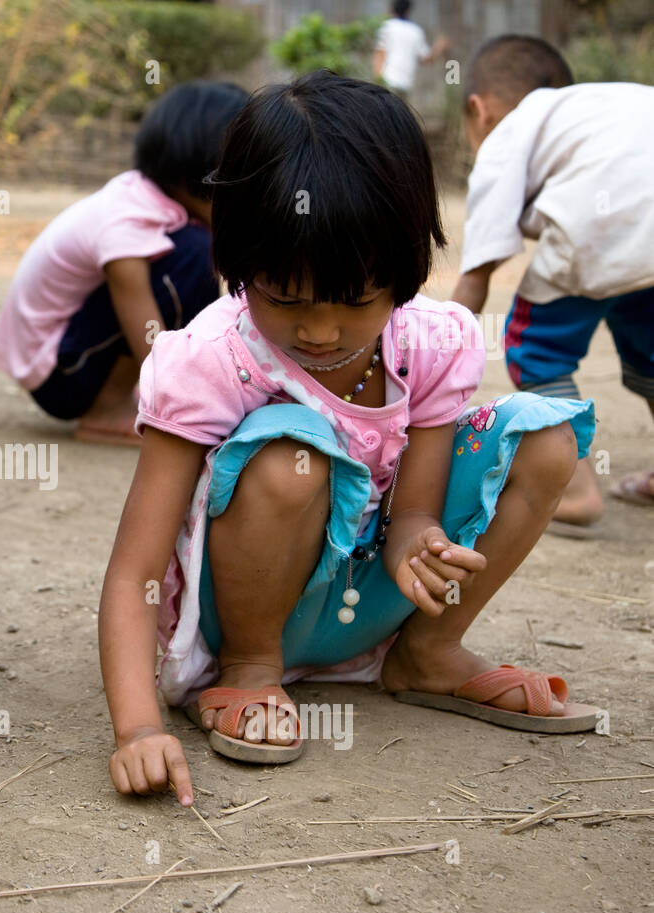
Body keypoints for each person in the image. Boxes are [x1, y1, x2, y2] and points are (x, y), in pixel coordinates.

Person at [97, 72, 601, 803]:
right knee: (290, 457)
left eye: (357, 302)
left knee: (547, 440)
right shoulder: (211, 360)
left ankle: (424, 655)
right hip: (243, 604)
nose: (321, 332)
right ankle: (250, 669)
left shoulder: (430, 340)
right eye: (284, 298)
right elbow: (131, 568)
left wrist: (417, 537)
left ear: (404, 269)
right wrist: (138, 728)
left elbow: (418, 512)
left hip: (371, 601)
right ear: (233, 262)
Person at [452, 34, 654, 527]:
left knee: (537, 349)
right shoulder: (617, 101)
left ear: (480, 110)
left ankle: (577, 490)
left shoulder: (509, 131)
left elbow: (478, 271)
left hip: (598, 230)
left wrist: (437, 342)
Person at [0, 81, 248, 445]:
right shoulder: (127, 219)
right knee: (192, 257)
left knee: (195, 251)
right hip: (59, 377)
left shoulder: (150, 199)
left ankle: (150, 394)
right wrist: (187, 404)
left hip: (71, 357)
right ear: (203, 173)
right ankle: (109, 410)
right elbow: (143, 322)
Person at [373, 0, 448, 98]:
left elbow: (380, 54)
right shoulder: (416, 31)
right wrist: (439, 47)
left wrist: (377, 81)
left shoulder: (387, 27)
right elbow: (426, 58)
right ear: (408, 11)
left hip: (387, 82)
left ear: (392, 9)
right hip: (406, 83)